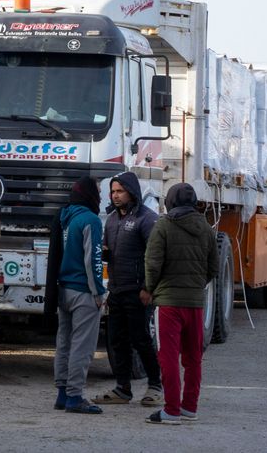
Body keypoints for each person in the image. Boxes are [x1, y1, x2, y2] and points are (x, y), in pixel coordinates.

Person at [141, 183, 219, 426]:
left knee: (168, 356)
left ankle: (171, 410)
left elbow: (152, 262)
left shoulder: (163, 225)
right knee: (193, 357)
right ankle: (189, 407)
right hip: (195, 303)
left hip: (169, 304)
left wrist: (149, 289)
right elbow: (213, 267)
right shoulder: (206, 228)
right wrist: (196, 285)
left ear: (171, 201)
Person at [96, 173, 162, 407]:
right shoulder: (112, 219)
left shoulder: (147, 219)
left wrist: (148, 288)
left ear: (131, 192)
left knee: (141, 339)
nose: (115, 196)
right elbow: (109, 252)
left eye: (119, 191)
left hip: (138, 292)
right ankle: (122, 388)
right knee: (116, 340)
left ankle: (155, 385)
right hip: (116, 290)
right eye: (113, 191)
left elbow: (154, 257)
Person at [46, 176, 108, 414]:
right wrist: (98, 292)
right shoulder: (90, 220)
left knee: (64, 343)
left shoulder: (65, 217)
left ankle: (62, 394)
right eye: (98, 191)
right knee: (82, 346)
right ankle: (75, 397)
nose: (101, 196)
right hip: (84, 292)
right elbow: (92, 259)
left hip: (63, 290)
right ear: (90, 194)